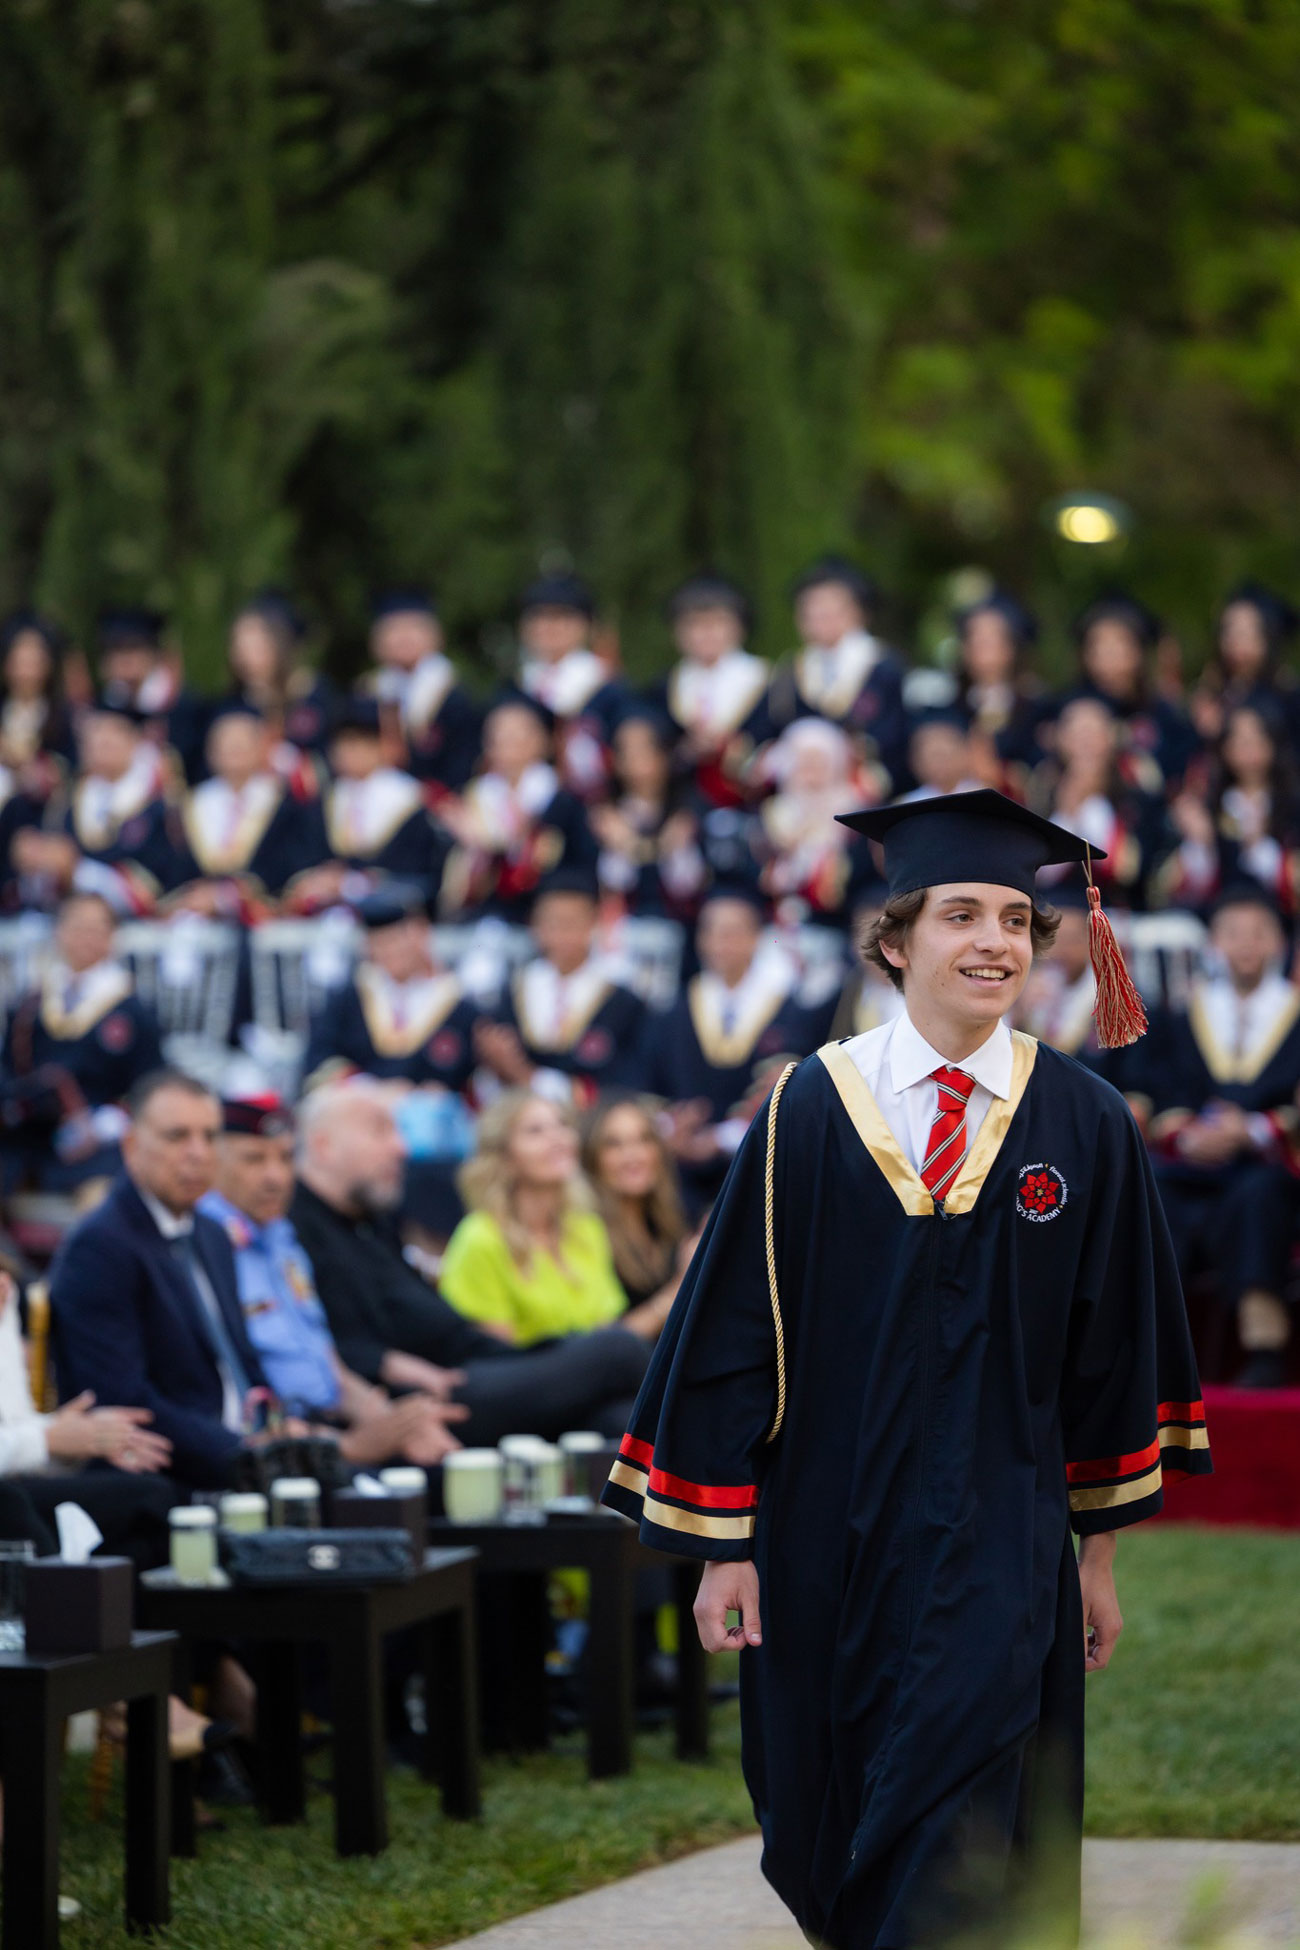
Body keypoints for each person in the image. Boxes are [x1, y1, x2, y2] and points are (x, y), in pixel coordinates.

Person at [604, 788, 1210, 1950]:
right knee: (826, 1813)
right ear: (893, 941)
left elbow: (1113, 1353)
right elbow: (727, 1341)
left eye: (1013, 920)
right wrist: (722, 1552)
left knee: (969, 1814)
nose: (994, 942)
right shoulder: (803, 1114)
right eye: (959, 916)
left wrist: (1099, 1558)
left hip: (1003, 1528)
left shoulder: (1083, 1123)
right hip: (825, 1532)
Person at [290, 1081, 651, 1443]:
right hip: (442, 1391)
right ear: (324, 1146)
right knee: (621, 1350)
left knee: (618, 1417)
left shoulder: (369, 1222)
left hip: (482, 1366)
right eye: (380, 1131)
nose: (401, 1148)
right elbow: (308, 1337)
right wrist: (384, 1364)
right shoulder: (294, 1230)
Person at [200, 1096, 465, 1465]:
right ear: (213, 1164)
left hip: (332, 1424)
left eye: (286, 1158)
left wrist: (394, 1424)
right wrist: (348, 1444)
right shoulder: (205, 1245)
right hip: (279, 1441)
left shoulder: (281, 1239)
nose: (275, 1177)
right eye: (254, 1160)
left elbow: (327, 1365)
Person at [49, 1070, 274, 1487]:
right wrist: (245, 1454)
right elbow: (126, 1402)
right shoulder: (100, 1246)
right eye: (177, 1137)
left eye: (209, 1136)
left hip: (244, 1457)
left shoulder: (211, 1232)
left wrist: (279, 1427)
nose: (198, 1153)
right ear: (132, 1146)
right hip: (177, 1477)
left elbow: (241, 1360)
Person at [1128, 886, 1300, 1388]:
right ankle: (1155, 1347)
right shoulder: (1182, 1012)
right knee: (1152, 1188)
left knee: (1258, 1196)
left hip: (1271, 1165)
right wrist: (1185, 1134)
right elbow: (1158, 1088)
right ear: (1214, 943)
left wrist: (1253, 1129)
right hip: (1193, 1160)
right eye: (1233, 933)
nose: (1246, 944)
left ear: (1280, 942)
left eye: (1259, 933)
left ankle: (1263, 1345)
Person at [642, 886, 822, 1203]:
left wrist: (725, 1137)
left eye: (731, 932)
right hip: (681, 1170)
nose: (717, 943)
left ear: (756, 937)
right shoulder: (677, 1008)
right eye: (708, 931)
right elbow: (648, 1079)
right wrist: (671, 1126)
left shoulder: (789, 1009)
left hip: (759, 1166)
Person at [440, 1092, 638, 1346]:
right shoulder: (479, 1238)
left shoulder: (587, 1227)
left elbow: (608, 1331)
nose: (558, 1138)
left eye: (562, 1125)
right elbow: (497, 1356)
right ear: (505, 1156)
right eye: (535, 1131)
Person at [0, 890, 163, 1197]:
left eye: (96, 929)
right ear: (59, 932)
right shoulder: (31, 1003)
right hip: (30, 1134)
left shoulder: (131, 1010)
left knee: (102, 1194)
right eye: (76, 926)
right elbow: (8, 1068)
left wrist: (111, 1122)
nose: (85, 937)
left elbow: (149, 1084)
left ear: (112, 937)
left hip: (98, 1144)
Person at [475, 869, 647, 1103]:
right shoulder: (514, 992)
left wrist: (525, 1075)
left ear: (594, 923)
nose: (562, 935)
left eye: (572, 923)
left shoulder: (621, 1000)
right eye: (552, 922)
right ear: (535, 925)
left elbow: (621, 1085)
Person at [303, 886, 480, 1096]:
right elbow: (320, 1059)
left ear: (422, 934)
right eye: (378, 942)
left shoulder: (459, 1005)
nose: (388, 951)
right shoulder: (349, 999)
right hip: (363, 1108)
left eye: (396, 939)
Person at [11, 700, 183, 915]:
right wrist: (37, 860)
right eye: (94, 733)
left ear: (135, 740)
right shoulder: (67, 800)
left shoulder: (159, 803)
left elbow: (156, 889)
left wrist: (76, 871)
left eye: (113, 732)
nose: (102, 739)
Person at [436, 696, 596, 921]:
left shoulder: (561, 800)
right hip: (485, 915)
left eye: (514, 737)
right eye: (496, 738)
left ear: (543, 741)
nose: (504, 746)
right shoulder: (476, 797)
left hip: (542, 914)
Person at [284, 697, 445, 913]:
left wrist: (353, 882)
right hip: (330, 911)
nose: (349, 752)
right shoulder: (326, 799)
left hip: (390, 913)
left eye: (359, 742)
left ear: (381, 746)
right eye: (342, 743)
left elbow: (416, 869)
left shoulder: (409, 798)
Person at [764, 557, 910, 792]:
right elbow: (776, 729)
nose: (819, 614)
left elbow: (896, 734)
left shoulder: (883, 665)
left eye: (830, 606)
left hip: (865, 786)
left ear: (858, 611)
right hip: (804, 789)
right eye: (810, 608)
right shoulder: (791, 670)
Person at [169, 703, 325, 916]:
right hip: (194, 913)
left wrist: (235, 894)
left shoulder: (286, 804)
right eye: (224, 742)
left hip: (262, 917)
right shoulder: (186, 805)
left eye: (241, 743)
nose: (233, 749)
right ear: (209, 749)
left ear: (263, 747)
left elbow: (291, 865)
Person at [1162, 703, 1300, 917]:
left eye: (1255, 736)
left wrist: (1259, 846)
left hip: (1278, 918)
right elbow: (1176, 886)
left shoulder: (1290, 803)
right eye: (1237, 737)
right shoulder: (1211, 803)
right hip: (1219, 915)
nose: (1246, 745)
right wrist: (1202, 842)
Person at [650, 575, 770, 808]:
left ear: (739, 627)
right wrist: (685, 749)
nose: (705, 633)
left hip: (750, 801)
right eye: (693, 624)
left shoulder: (766, 680)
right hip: (683, 803)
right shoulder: (665, 686)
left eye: (716, 622)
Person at [582, 1095, 693, 1337]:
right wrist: (681, 1288)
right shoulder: (583, 1233)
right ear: (591, 1157)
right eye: (614, 1144)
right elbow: (602, 1349)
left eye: (644, 1140)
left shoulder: (673, 1221)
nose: (634, 1156)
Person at [514, 571, 627, 799]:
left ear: (585, 625)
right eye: (539, 617)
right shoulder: (519, 688)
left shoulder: (606, 687)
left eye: (562, 617)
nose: (549, 627)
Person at [365, 588, 481, 793]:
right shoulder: (370, 693)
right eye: (393, 630)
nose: (403, 638)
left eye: (413, 629)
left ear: (434, 635)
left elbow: (465, 761)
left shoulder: (453, 694)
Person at [218, 589, 335, 758]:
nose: (245, 657)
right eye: (239, 647)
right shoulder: (232, 707)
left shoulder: (318, 698)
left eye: (256, 647)